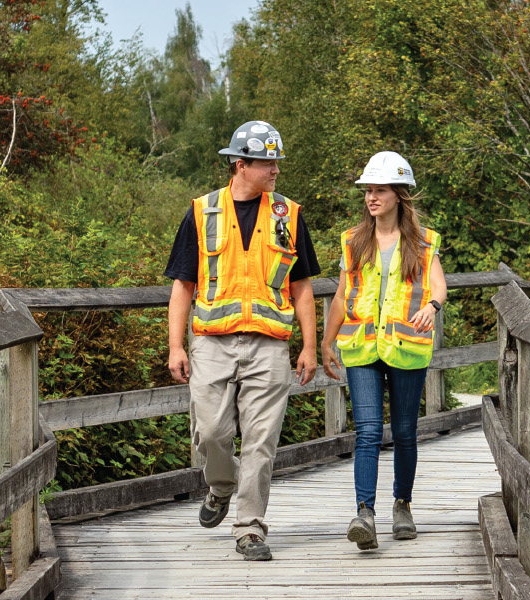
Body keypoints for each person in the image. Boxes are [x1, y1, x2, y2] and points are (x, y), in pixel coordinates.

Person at [163, 120, 320, 561]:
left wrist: (308, 345)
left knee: (261, 440)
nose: (274, 170)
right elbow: (182, 286)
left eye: (276, 161)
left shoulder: (288, 214)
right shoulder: (201, 212)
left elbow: (302, 285)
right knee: (211, 431)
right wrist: (176, 346)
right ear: (240, 163)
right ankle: (221, 485)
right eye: (266, 161)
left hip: (270, 344)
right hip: (211, 342)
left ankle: (249, 529)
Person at [319, 151, 446, 550]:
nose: (371, 197)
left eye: (379, 190)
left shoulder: (424, 242)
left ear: (398, 195)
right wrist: (325, 341)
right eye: (368, 190)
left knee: (406, 432)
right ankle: (365, 514)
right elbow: (342, 295)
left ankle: (402, 505)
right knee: (369, 431)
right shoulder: (353, 241)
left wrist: (431, 306)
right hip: (361, 348)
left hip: (406, 347)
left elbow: (439, 286)